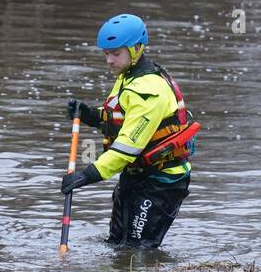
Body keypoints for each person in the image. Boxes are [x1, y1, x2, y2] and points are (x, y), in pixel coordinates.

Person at [62, 13, 197, 248]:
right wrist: (89, 114)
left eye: (116, 53)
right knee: (116, 245)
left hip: (162, 181)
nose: (109, 61)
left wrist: (87, 175)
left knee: (139, 249)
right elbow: (119, 119)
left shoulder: (148, 91)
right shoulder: (127, 77)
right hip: (135, 175)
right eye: (106, 53)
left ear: (136, 49)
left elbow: (127, 146)